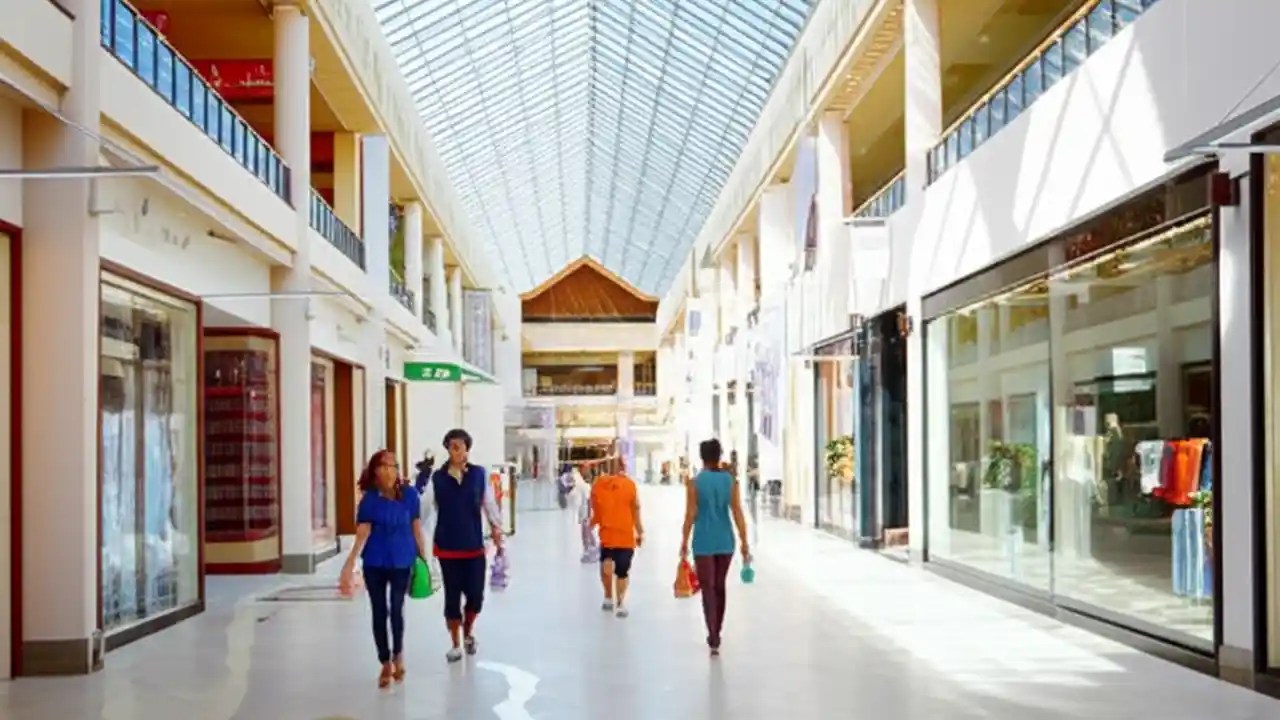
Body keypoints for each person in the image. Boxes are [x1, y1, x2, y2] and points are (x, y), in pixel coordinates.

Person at [340, 449, 429, 687]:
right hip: (375, 562)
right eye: (384, 466)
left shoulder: (409, 495)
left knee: (396, 608)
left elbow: (416, 528)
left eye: (394, 466)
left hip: (402, 560)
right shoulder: (369, 499)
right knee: (379, 611)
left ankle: (398, 654)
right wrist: (349, 565)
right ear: (375, 471)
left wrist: (424, 560)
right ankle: (384, 661)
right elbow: (362, 534)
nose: (390, 470)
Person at [420, 428, 504, 663]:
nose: (457, 450)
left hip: (474, 546)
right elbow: (424, 510)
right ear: (447, 449)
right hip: (447, 547)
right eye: (453, 446)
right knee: (452, 596)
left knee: (476, 596)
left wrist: (497, 529)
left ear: (467, 449)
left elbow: (489, 504)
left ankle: (468, 631)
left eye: (461, 446)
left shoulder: (478, 475)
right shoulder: (437, 479)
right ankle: (456, 643)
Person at [680, 438, 750, 656]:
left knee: (707, 588)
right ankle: (717, 629)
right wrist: (744, 541)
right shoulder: (731, 481)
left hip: (703, 541)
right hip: (725, 540)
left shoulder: (694, 482)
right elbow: (737, 512)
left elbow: (690, 514)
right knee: (720, 586)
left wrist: (683, 540)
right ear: (719, 456)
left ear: (702, 457)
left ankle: (713, 634)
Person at [589, 455, 643, 618]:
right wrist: (640, 531)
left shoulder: (598, 485)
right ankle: (619, 602)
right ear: (623, 467)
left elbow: (595, 508)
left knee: (607, 566)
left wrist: (594, 522)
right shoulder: (629, 485)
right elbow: (635, 510)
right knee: (622, 571)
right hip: (625, 536)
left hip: (609, 535)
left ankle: (608, 597)